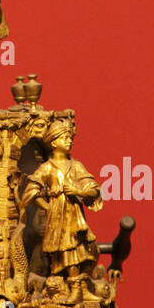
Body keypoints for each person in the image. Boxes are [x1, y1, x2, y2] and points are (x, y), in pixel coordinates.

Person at [21, 119, 103, 288]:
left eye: (70, 137)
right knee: (65, 249)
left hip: (75, 213)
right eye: (64, 137)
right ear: (53, 142)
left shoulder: (76, 166)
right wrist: (48, 207)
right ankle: (73, 286)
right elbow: (31, 190)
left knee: (84, 247)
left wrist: (79, 191)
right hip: (57, 216)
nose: (69, 140)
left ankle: (82, 284)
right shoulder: (47, 168)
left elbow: (93, 188)